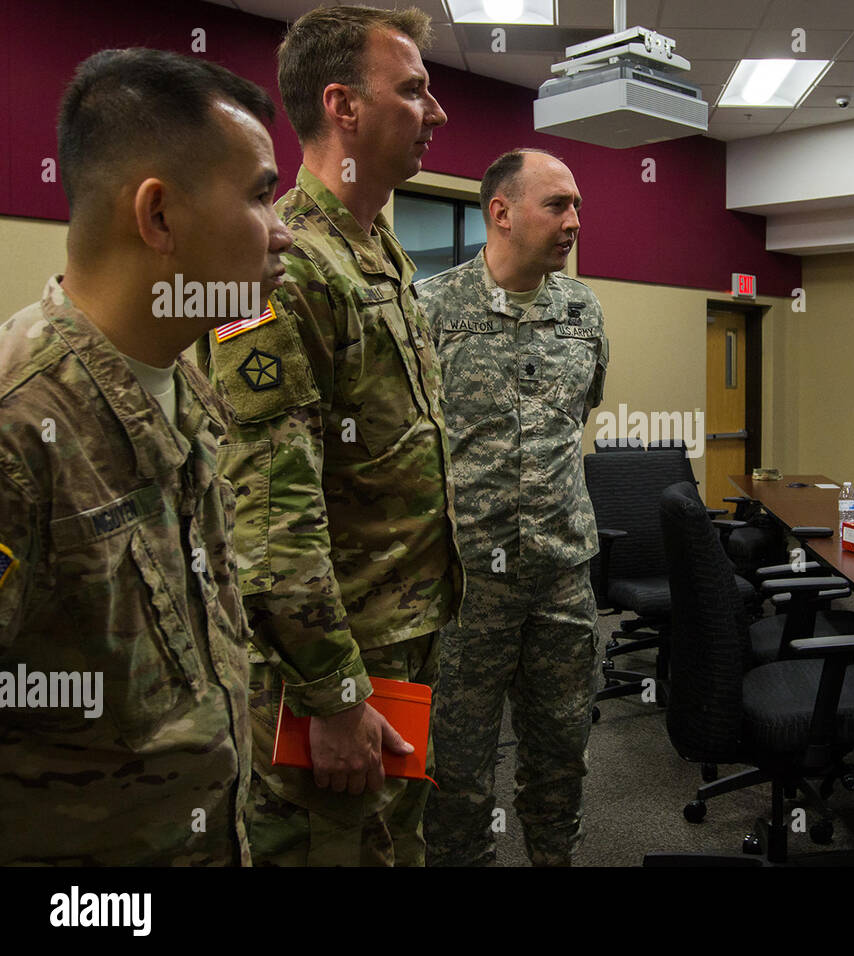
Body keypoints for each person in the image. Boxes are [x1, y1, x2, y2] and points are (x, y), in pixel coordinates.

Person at [0, 48, 291, 864]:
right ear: (158, 217)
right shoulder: (21, 431)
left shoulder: (188, 390)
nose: (283, 232)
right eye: (262, 195)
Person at [199, 5, 462, 866]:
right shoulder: (285, 267)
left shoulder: (378, 251)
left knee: (395, 845)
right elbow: (273, 524)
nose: (437, 113)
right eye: (415, 89)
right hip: (330, 674)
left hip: (397, 645)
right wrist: (336, 696)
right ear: (343, 106)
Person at [415, 148, 608, 866]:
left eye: (577, 207)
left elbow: (577, 415)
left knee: (562, 756)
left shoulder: (583, 309)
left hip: (562, 576)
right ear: (500, 211)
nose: (574, 222)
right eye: (557, 205)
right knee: (457, 771)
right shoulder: (432, 310)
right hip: (467, 585)